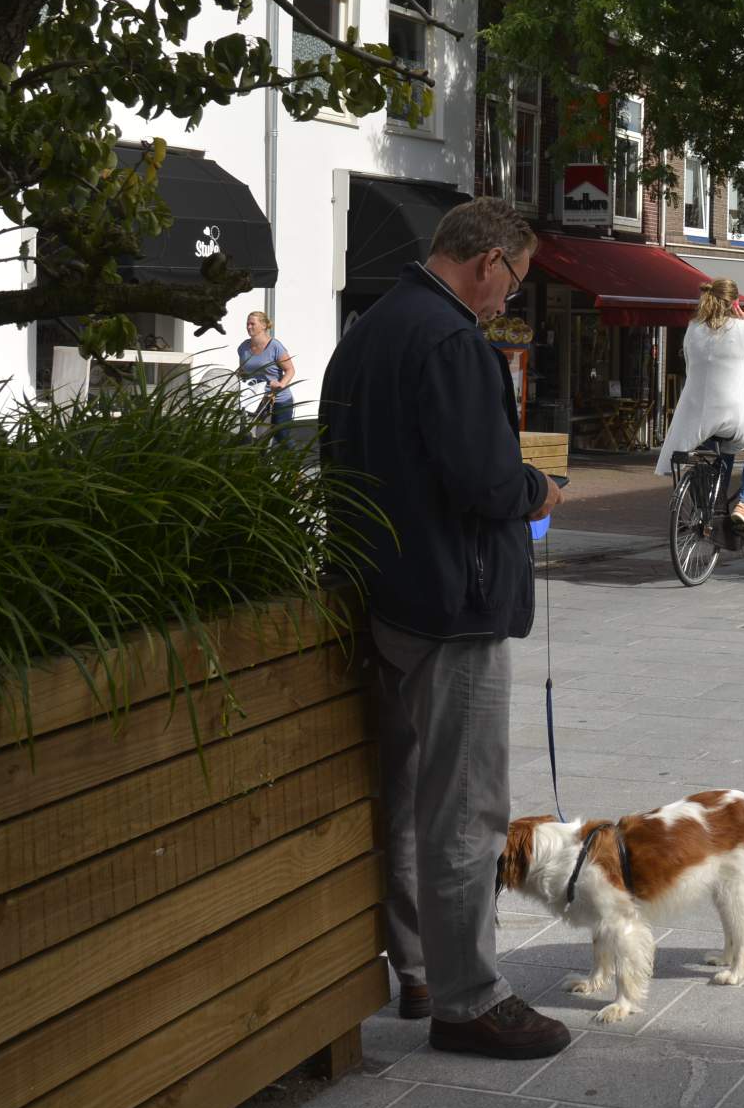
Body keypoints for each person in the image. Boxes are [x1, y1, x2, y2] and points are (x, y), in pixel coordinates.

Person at [315, 197, 570, 1062]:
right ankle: (469, 1001)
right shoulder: (454, 341)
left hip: (383, 597)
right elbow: (488, 483)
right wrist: (540, 491)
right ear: (489, 260)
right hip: (452, 604)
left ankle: (420, 969)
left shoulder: (366, 335)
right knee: (466, 808)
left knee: (409, 795)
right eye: (513, 282)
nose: (507, 301)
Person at [653, 277, 744, 538]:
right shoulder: (743, 328)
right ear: (735, 303)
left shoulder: (693, 328)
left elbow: (690, 368)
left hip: (696, 419)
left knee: (721, 450)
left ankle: (712, 510)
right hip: (734, 418)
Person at [235, 311, 296, 443]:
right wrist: (235, 377)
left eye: (252, 324)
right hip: (256, 399)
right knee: (256, 437)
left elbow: (290, 370)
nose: (249, 327)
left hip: (278, 399)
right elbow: (243, 371)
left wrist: (281, 385)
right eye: (247, 324)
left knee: (282, 436)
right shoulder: (243, 348)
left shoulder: (274, 346)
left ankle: (295, 457)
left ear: (263, 325)